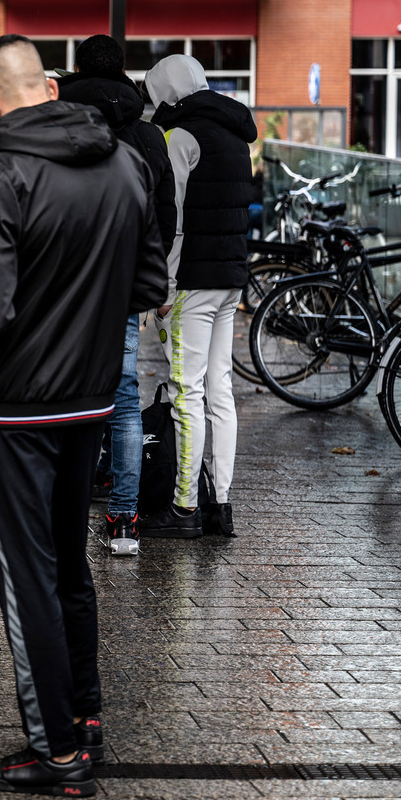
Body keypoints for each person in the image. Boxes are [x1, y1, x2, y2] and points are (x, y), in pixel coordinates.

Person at [0, 36, 166, 796]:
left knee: (27, 581)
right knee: (69, 569)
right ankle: (83, 719)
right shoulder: (127, 162)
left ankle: (57, 752)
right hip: (90, 397)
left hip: (16, 408)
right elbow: (149, 282)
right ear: (50, 87)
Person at [58, 34, 177, 556]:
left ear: (78, 67)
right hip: (125, 278)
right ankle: (124, 520)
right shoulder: (149, 135)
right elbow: (166, 213)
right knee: (124, 396)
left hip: (66, 279)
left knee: (62, 394)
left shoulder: (56, 120)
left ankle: (57, 512)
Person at [139, 54, 257, 540]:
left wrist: (162, 288)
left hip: (190, 283)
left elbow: (176, 221)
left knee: (187, 392)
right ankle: (222, 506)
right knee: (220, 391)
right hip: (230, 277)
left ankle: (184, 507)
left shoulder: (180, 137)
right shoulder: (235, 135)